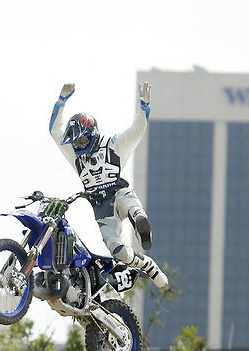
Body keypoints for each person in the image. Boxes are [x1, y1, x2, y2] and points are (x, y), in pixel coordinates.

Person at [49, 82, 168, 288]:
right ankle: (147, 264)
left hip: (119, 192)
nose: (77, 147)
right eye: (75, 143)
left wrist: (144, 105)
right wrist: (61, 100)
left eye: (81, 142)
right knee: (117, 251)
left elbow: (137, 130)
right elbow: (54, 129)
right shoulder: (74, 154)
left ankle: (141, 225)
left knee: (134, 211)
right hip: (101, 207)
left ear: (92, 134)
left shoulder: (114, 145)